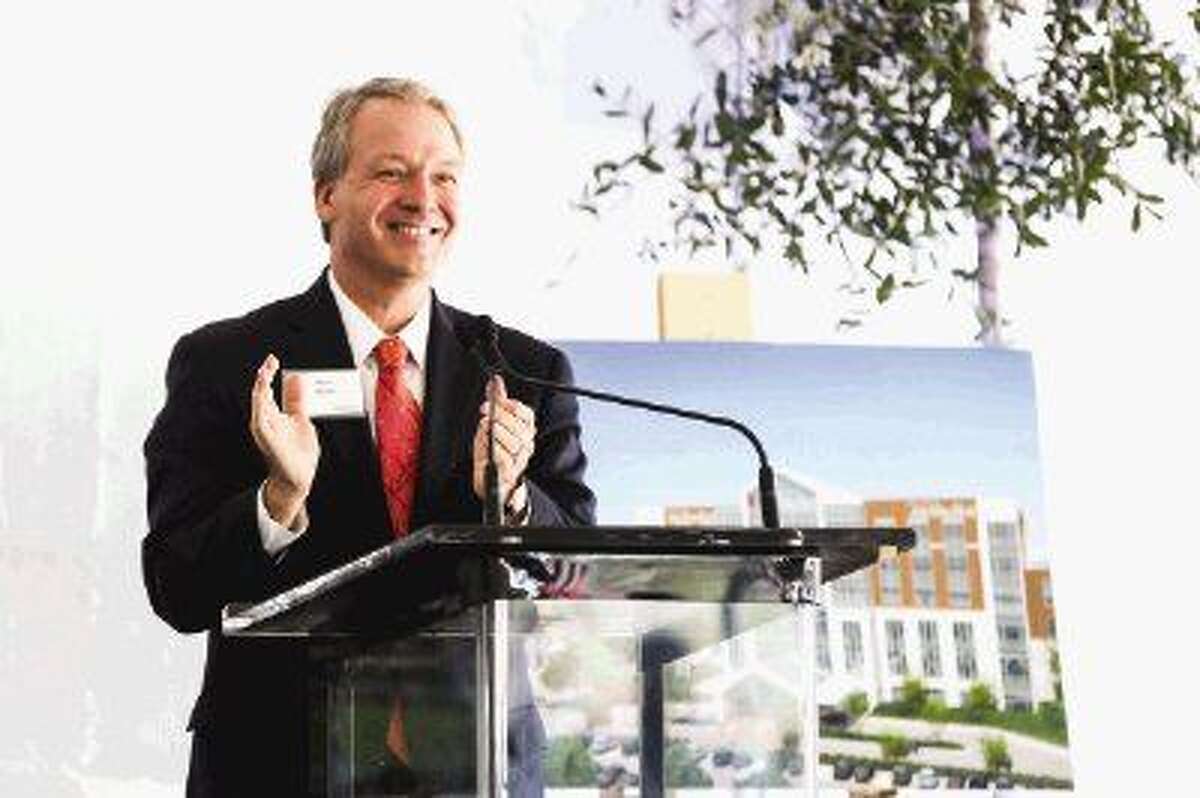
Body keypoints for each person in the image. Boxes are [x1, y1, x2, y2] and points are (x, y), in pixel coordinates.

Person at [142, 77, 595, 797]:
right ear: (327, 196)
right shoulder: (228, 362)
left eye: (443, 175)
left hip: (475, 770)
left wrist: (511, 499)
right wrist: (278, 501)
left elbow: (580, 571)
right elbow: (176, 589)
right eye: (392, 172)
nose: (424, 197)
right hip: (278, 767)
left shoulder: (524, 371)